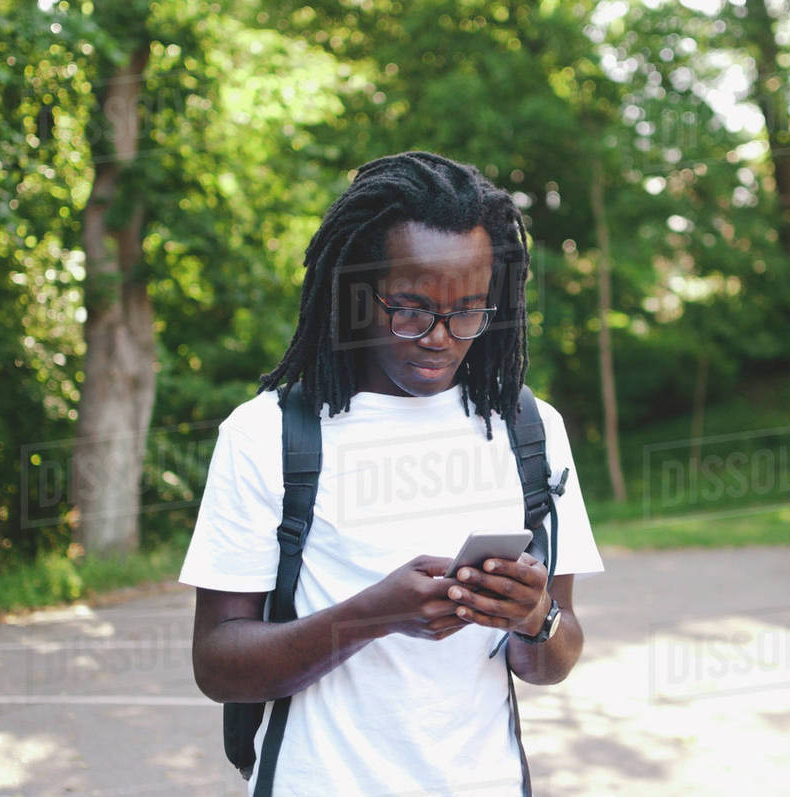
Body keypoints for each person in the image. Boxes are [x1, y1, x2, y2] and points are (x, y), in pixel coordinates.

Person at [180, 151, 603, 796]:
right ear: (353, 291)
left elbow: (554, 657)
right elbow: (219, 665)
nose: (439, 337)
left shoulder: (529, 429)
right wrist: (371, 617)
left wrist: (532, 615)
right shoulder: (267, 433)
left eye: (468, 310)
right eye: (409, 308)